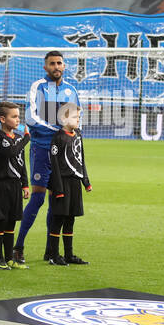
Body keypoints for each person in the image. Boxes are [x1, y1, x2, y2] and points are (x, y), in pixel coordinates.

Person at [15, 50, 80, 264]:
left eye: (59, 63)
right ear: (45, 67)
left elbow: (75, 119)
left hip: (62, 154)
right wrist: (55, 130)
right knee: (38, 197)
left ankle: (50, 251)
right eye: (52, 63)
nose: (56, 67)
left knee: (57, 200)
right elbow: (30, 118)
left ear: (64, 66)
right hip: (42, 149)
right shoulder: (38, 87)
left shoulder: (71, 90)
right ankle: (19, 246)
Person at [45, 102, 92, 267]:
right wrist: (57, 188)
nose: (78, 120)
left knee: (71, 219)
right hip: (61, 183)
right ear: (64, 118)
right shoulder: (58, 138)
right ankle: (54, 255)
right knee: (58, 219)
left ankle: (69, 254)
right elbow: (55, 164)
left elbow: (81, 158)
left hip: (74, 183)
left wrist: (85, 181)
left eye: (78, 117)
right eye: (74, 117)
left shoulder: (78, 134)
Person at [0, 101, 30, 270]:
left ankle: (9, 258)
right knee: (1, 222)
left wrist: (25, 184)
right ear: (2, 119)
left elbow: (21, 163)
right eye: (14, 117)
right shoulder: (0, 138)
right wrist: (27, 139)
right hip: (2, 185)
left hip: (15, 185)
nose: (17, 120)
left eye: (18, 116)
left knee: (12, 222)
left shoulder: (18, 138)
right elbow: (12, 152)